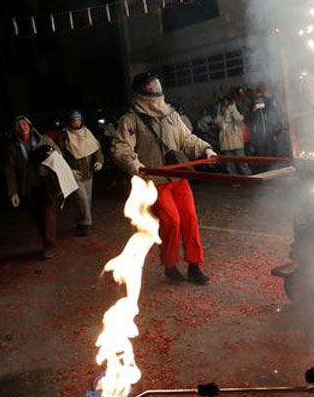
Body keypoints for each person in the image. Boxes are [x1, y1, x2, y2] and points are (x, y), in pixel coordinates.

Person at [112, 71, 217, 284]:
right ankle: (169, 264)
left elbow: (187, 139)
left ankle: (194, 265)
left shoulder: (171, 115)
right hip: (154, 182)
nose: (157, 92)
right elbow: (121, 148)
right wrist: (136, 165)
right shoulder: (130, 120)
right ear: (141, 93)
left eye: (157, 87)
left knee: (189, 220)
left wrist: (206, 150)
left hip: (178, 177)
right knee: (171, 221)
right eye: (152, 89)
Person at [5, 116, 78, 258]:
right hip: (28, 187)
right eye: (19, 125)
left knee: (48, 213)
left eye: (24, 124)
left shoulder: (43, 140)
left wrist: (50, 167)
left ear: (30, 125)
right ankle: (46, 239)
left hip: (46, 185)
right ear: (15, 129)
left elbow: (58, 156)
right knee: (37, 217)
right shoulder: (13, 147)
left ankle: (49, 245)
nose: (22, 127)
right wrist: (13, 192)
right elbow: (10, 170)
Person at [57, 110, 103, 235]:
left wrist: (99, 161)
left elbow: (96, 149)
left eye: (78, 120)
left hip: (88, 173)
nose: (76, 123)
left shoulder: (87, 133)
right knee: (81, 199)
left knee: (87, 200)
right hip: (74, 174)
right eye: (73, 120)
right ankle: (86, 224)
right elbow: (59, 155)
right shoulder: (64, 135)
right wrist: (68, 171)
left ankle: (80, 220)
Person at [215, 92, 250, 176]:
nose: (226, 107)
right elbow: (217, 122)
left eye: (227, 104)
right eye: (224, 105)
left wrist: (233, 110)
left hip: (236, 141)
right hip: (226, 142)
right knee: (229, 163)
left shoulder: (235, 111)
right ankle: (234, 179)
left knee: (242, 161)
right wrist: (224, 115)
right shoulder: (219, 116)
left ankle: (248, 176)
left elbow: (240, 119)